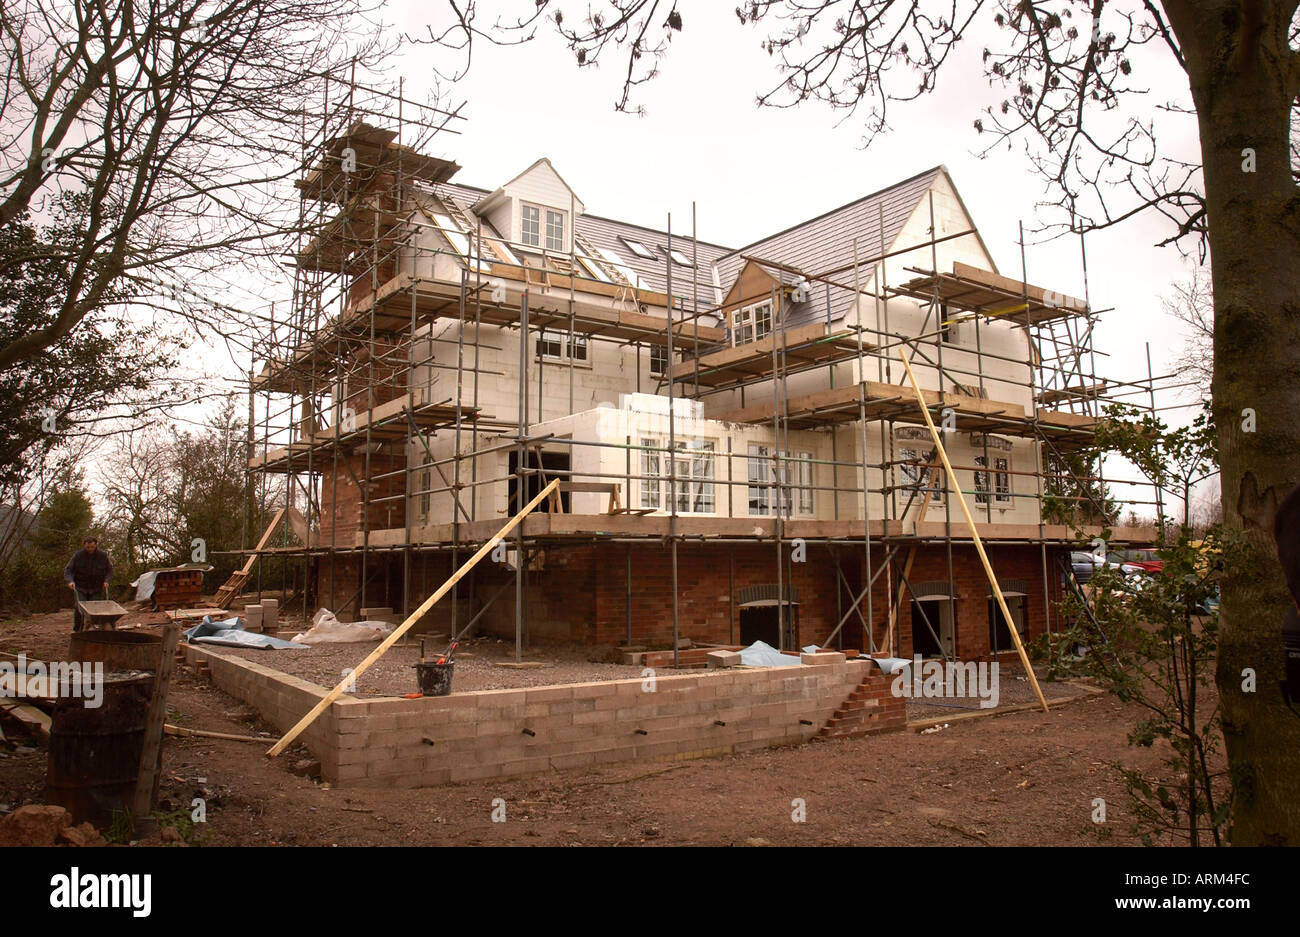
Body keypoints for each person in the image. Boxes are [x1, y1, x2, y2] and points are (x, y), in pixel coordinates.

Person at [65, 536, 112, 632]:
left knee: (94, 610)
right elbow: (68, 570)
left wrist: (106, 581)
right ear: (84, 546)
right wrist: (70, 581)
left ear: (96, 546)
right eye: (88, 547)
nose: (90, 549)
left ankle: (92, 628)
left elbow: (109, 570)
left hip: (96, 588)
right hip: (81, 587)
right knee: (80, 608)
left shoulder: (102, 556)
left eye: (92, 547)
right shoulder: (78, 556)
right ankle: (77, 630)